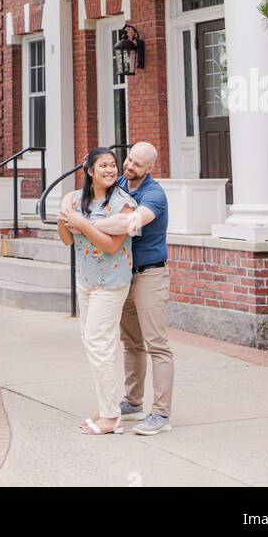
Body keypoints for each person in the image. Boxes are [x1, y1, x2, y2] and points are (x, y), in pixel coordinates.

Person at [56, 147, 137, 435]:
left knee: (99, 345)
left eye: (113, 165)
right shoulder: (77, 200)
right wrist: (64, 220)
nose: (110, 170)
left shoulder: (123, 203)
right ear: (90, 171)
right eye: (103, 165)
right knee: (94, 345)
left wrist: (80, 223)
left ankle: (111, 416)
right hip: (86, 280)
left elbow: (112, 245)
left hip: (111, 282)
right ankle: (107, 407)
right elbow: (67, 239)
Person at [95, 141, 174, 436]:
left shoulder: (154, 195)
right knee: (131, 341)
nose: (128, 166)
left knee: (157, 345)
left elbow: (131, 223)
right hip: (123, 274)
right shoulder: (118, 185)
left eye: (137, 164)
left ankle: (161, 414)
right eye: (128, 159)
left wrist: (90, 224)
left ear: (150, 168)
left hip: (150, 274)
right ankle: (132, 401)